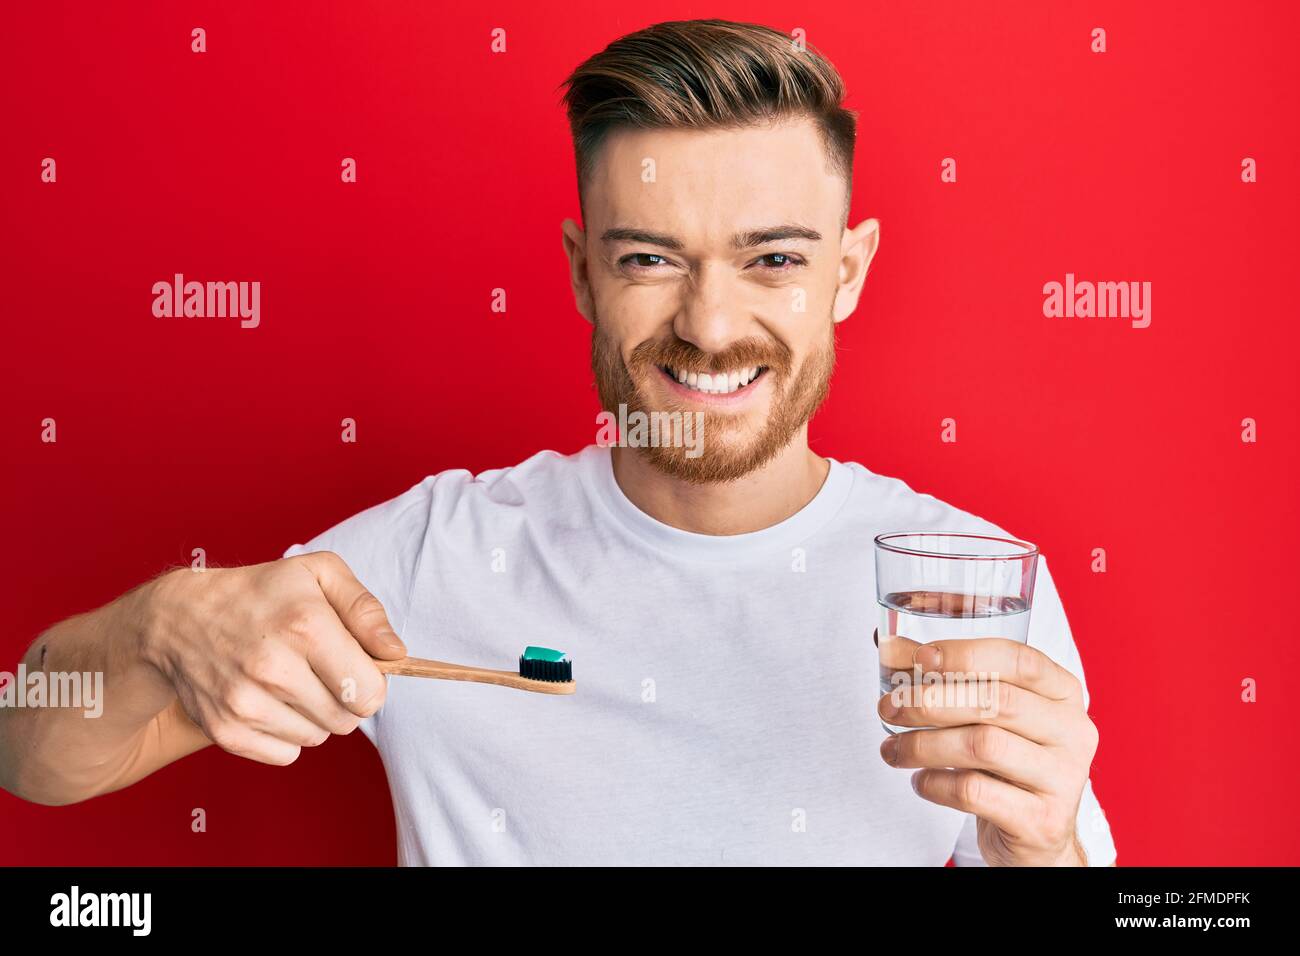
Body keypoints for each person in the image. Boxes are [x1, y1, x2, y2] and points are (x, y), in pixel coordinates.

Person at [0, 18, 1117, 866]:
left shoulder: (968, 583)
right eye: (649, 260)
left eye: (773, 258)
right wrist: (153, 628)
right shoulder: (433, 553)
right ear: (583, 270)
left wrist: (1042, 847)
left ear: (849, 270)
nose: (712, 325)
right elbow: (23, 750)